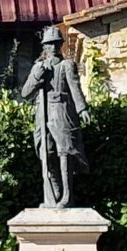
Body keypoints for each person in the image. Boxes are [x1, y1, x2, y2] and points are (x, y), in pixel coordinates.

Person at [20, 25, 92, 208]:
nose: (52, 47)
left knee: (64, 152)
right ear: (44, 47)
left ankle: (67, 196)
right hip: (42, 114)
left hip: (61, 112)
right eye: (48, 44)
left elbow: (75, 88)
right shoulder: (39, 67)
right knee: (47, 153)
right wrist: (37, 75)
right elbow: (25, 93)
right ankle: (54, 193)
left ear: (60, 45)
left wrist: (82, 108)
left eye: (55, 43)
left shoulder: (66, 65)